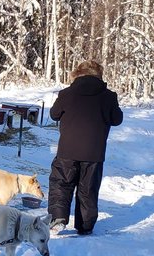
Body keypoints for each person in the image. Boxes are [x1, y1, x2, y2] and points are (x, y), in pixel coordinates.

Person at [48, 60, 123, 235]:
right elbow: (117, 119)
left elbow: (54, 114)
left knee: (61, 184)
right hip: (94, 153)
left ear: (77, 74)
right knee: (88, 189)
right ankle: (85, 226)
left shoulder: (67, 94)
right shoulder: (109, 96)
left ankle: (58, 219)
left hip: (67, 150)